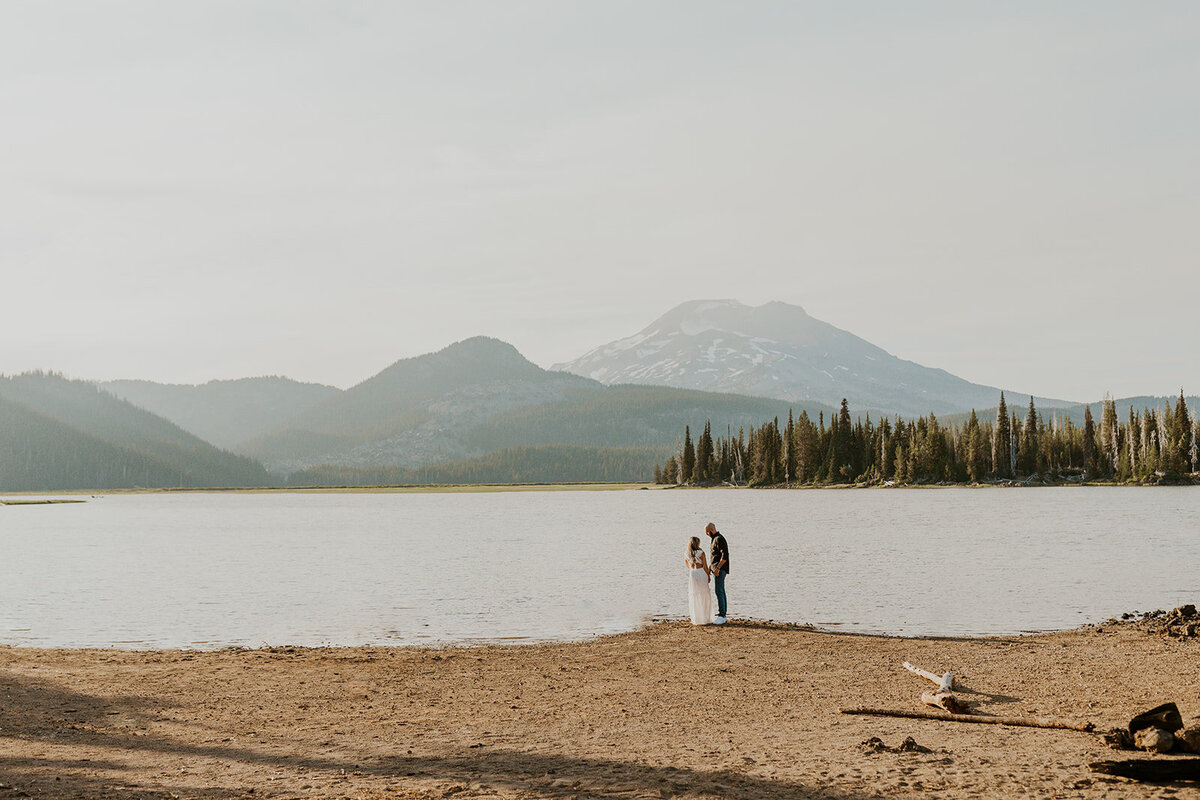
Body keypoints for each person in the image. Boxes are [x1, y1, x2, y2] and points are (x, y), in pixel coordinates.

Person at [684, 536, 713, 625]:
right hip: (701, 572)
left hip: (692, 574)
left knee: (694, 595)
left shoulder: (686, 553)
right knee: (704, 595)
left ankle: (696, 618)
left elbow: (687, 565)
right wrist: (708, 575)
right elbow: (705, 566)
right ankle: (705, 618)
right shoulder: (701, 553)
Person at [705, 522, 729, 624]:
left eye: (707, 532)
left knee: (719, 591)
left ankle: (722, 615)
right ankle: (723, 614)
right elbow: (715, 556)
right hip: (715, 569)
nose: (707, 534)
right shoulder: (714, 539)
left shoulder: (719, 539)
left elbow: (725, 556)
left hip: (720, 570)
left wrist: (718, 568)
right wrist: (710, 567)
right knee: (720, 591)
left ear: (712, 530)